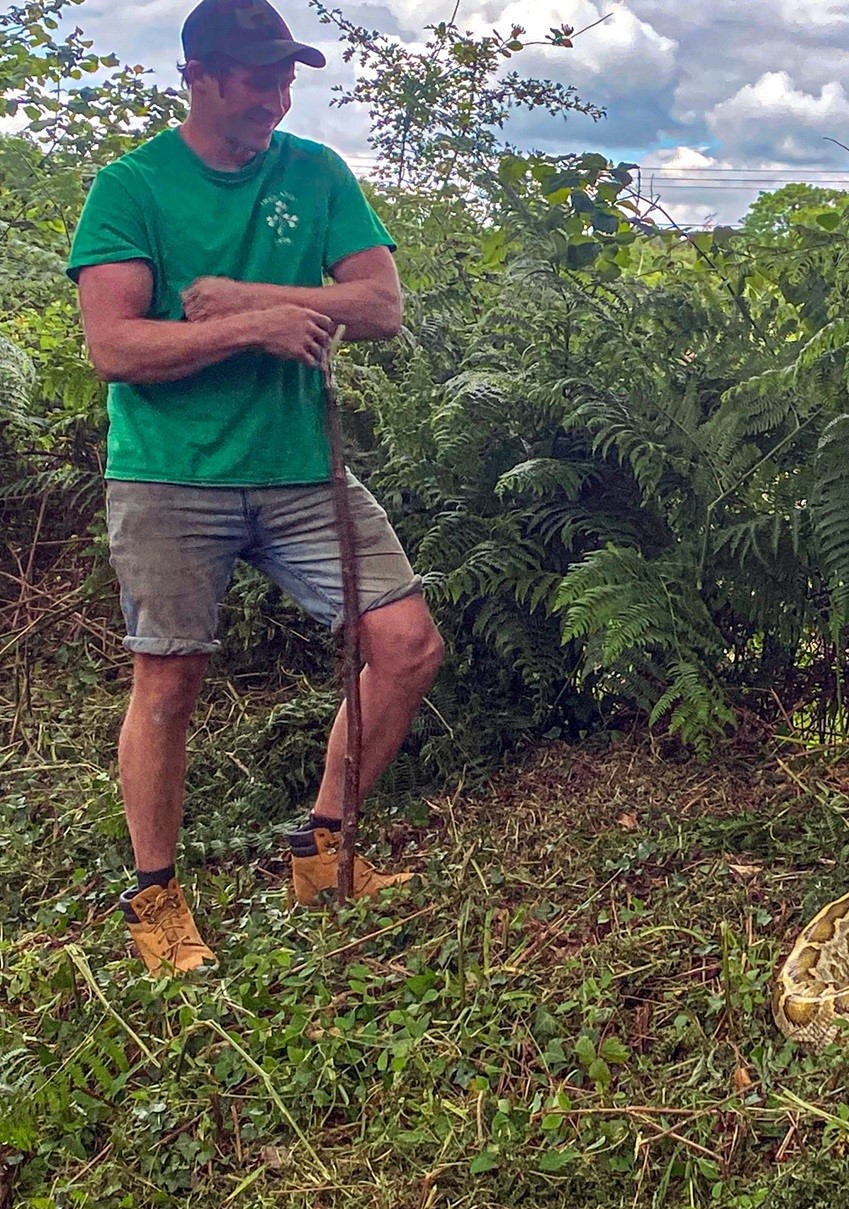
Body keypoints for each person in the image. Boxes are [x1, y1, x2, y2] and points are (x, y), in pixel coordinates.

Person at [66, 0, 444, 974]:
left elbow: (382, 306)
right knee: (170, 679)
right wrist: (250, 329)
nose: (275, 97)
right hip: (170, 476)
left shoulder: (315, 173)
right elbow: (113, 345)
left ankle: (324, 851)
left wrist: (250, 298)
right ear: (198, 76)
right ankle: (155, 903)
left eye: (286, 77)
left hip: (300, 469)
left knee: (404, 645)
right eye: (255, 78)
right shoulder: (132, 186)